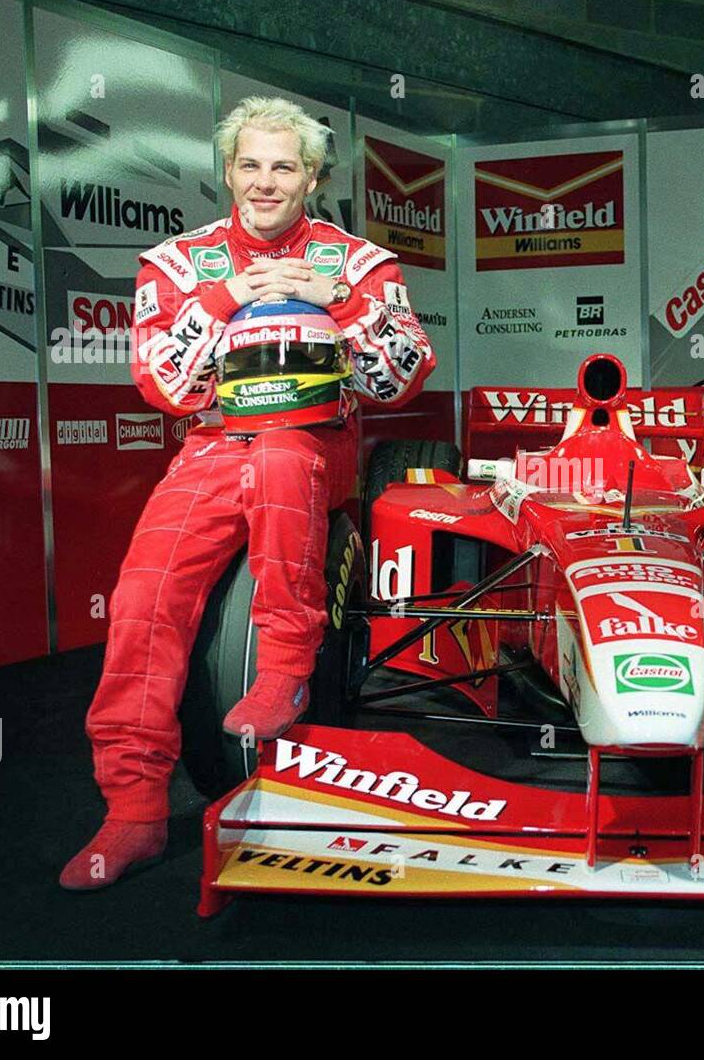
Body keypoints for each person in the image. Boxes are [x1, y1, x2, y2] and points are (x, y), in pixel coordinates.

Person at [61, 98, 434, 890]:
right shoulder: (175, 260)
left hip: (313, 444)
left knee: (279, 460)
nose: (265, 183)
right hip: (210, 447)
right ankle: (132, 812)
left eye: (284, 166)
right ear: (228, 171)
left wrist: (333, 300)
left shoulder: (359, 261)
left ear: (314, 177)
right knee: (142, 599)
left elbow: (401, 376)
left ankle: (285, 668)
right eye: (250, 165)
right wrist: (228, 295)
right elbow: (164, 385)